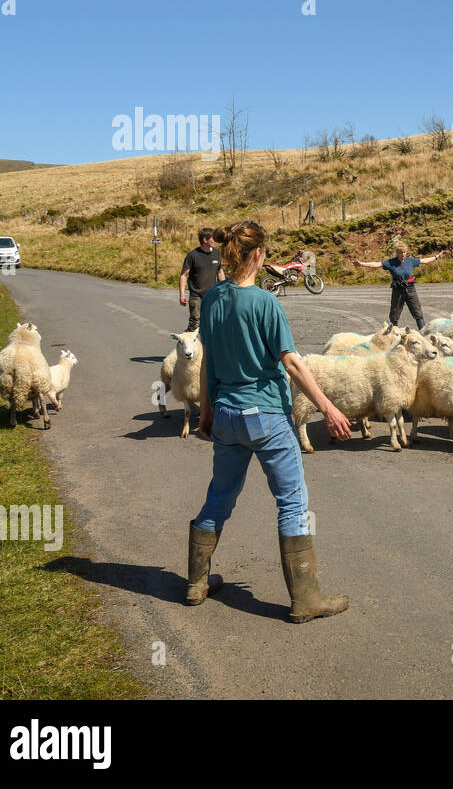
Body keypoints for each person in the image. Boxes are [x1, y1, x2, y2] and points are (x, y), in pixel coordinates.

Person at [187, 220, 353, 624]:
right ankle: (306, 598)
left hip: (225, 414)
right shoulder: (265, 303)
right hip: (266, 416)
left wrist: (206, 411)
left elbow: (207, 361)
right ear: (259, 255)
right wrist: (328, 407)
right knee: (292, 502)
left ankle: (195, 582)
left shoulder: (212, 300)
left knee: (219, 497)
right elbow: (292, 362)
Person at [352, 239, 449, 330]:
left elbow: (425, 261)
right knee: (394, 314)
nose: (403, 254)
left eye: (404, 252)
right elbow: (377, 264)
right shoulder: (391, 262)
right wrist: (362, 264)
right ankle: (394, 334)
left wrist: (437, 256)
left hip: (410, 289)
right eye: (401, 252)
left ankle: (423, 334)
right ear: (397, 253)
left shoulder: (410, 261)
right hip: (398, 290)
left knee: (418, 313)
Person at [179, 228, 225, 332]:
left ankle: (208, 347)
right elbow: (183, 275)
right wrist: (182, 295)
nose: (216, 241)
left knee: (213, 323)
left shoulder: (217, 253)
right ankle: (188, 345)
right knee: (195, 323)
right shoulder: (192, 255)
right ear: (205, 240)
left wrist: (224, 288)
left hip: (212, 295)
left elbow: (220, 272)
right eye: (213, 238)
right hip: (196, 295)